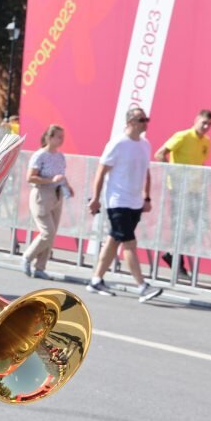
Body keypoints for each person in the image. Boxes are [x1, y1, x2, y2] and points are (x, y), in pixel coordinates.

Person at [86, 107, 163, 302]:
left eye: (147, 119)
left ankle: (95, 280)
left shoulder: (145, 144)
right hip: (117, 201)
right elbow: (101, 172)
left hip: (135, 202)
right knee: (129, 242)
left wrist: (147, 198)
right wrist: (95, 198)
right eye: (141, 119)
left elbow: (146, 172)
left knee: (114, 240)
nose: (146, 123)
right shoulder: (117, 144)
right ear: (130, 122)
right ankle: (142, 286)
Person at [154, 109, 211, 278]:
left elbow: (201, 164)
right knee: (178, 227)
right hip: (179, 190)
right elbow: (159, 154)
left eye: (209, 124)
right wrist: (174, 174)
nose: (206, 126)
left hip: (196, 190)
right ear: (196, 120)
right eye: (204, 122)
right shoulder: (182, 136)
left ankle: (171, 253)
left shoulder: (206, 141)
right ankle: (178, 265)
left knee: (201, 227)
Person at [21, 124, 72, 278]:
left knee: (52, 233)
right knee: (47, 232)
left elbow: (61, 175)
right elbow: (30, 177)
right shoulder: (40, 155)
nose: (61, 140)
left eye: (62, 137)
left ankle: (40, 267)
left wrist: (67, 186)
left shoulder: (60, 156)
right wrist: (50, 180)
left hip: (57, 194)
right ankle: (27, 257)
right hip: (42, 194)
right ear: (49, 137)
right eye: (58, 137)